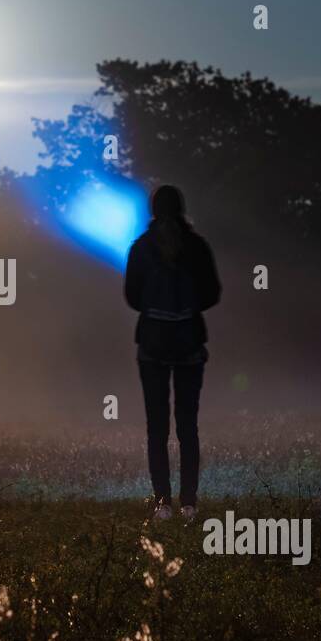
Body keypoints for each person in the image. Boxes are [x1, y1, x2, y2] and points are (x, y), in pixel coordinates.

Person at [124, 184, 221, 522]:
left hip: (152, 346)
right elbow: (212, 294)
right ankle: (189, 504)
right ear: (181, 207)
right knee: (187, 426)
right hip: (189, 345)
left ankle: (162, 502)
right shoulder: (197, 247)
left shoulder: (140, 248)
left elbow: (132, 298)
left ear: (153, 210)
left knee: (157, 428)